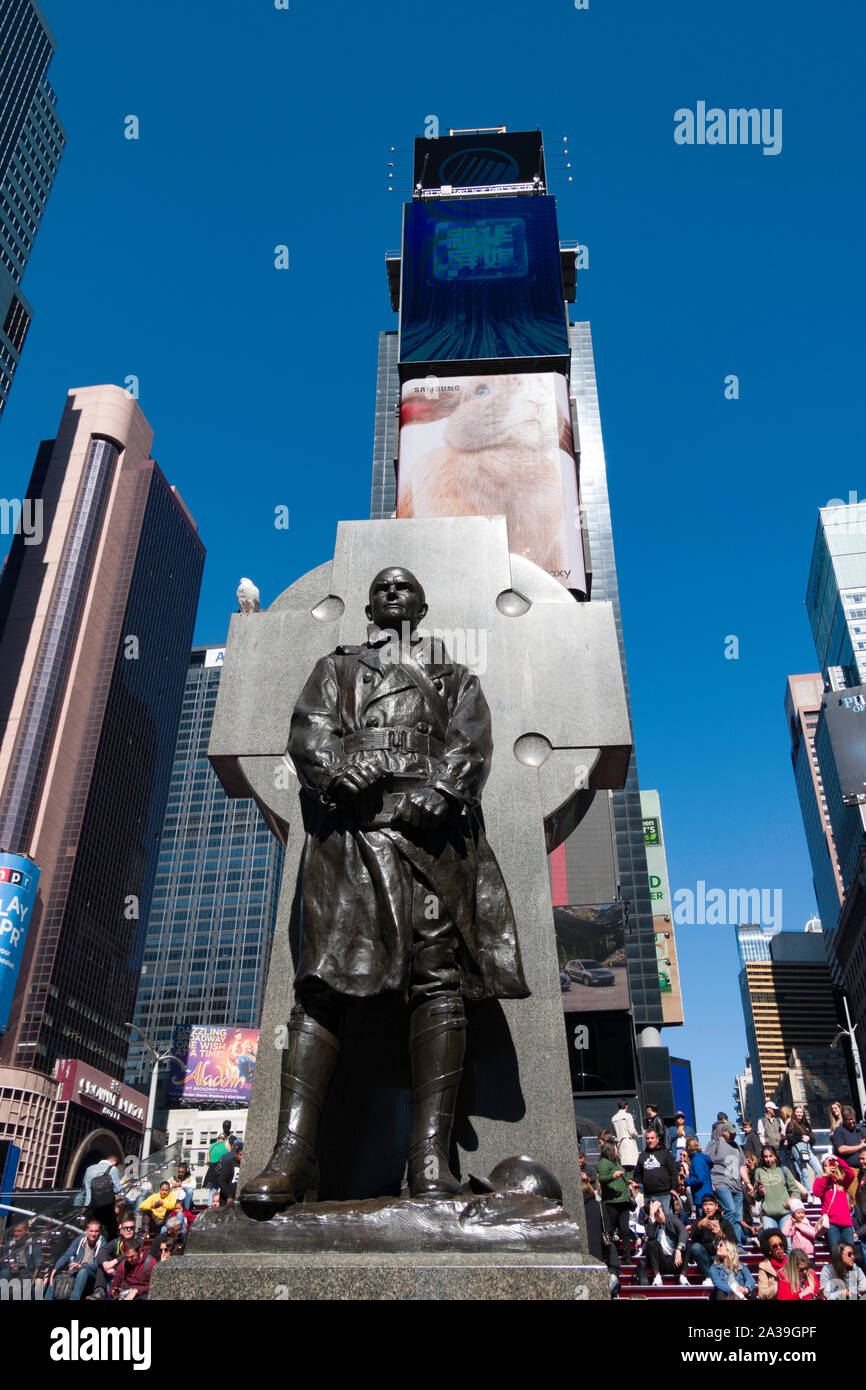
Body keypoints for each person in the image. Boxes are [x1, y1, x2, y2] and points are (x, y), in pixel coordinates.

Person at [241, 568, 530, 1211]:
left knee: (438, 983)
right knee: (321, 986)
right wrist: (342, 768)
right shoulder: (336, 669)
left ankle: (430, 1160)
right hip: (351, 842)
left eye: (405, 587)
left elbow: (472, 745)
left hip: (429, 845)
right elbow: (309, 731)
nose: (394, 593)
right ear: (370, 607)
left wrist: (442, 792)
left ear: (424, 607)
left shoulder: (455, 679)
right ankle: (293, 1154)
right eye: (383, 587)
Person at [705, 1125, 752, 1248]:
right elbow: (705, 1162)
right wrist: (710, 1182)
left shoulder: (737, 1146)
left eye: (735, 1133)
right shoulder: (715, 1143)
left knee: (737, 1216)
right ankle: (727, 1242)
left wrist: (747, 1182)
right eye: (730, 1133)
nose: (733, 1135)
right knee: (730, 1209)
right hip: (721, 1181)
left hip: (736, 1185)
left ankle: (737, 1245)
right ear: (724, 1131)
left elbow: (742, 1166)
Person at [813, 1154, 864, 1267]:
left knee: (849, 1254)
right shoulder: (821, 1180)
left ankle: (850, 1279)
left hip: (846, 1223)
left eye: (832, 1165)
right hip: (832, 1224)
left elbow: (850, 1174)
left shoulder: (841, 1181)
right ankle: (838, 1281)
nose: (830, 1167)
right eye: (826, 1165)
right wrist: (826, 1175)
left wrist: (838, 1159)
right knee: (836, 1254)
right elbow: (817, 1192)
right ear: (823, 1167)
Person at [44, 1220, 107, 1301]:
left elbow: (96, 1266)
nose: (93, 1234)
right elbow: (67, 1254)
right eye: (91, 1231)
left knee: (83, 1271)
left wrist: (81, 1266)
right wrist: (54, 1269)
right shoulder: (80, 1239)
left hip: (92, 1276)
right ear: (86, 1231)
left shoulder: (103, 1243)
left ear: (99, 1232)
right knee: (56, 1278)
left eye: (96, 1231)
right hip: (76, 1272)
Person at [596, 1139, 634, 1264]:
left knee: (625, 1231)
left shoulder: (617, 1162)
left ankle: (627, 1258)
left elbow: (623, 1177)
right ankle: (609, 1257)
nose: (618, 1150)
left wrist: (630, 1181)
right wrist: (613, 1176)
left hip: (623, 1200)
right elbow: (602, 1178)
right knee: (610, 1230)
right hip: (612, 1201)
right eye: (616, 1148)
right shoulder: (603, 1162)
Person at [84, 1215, 137, 1300]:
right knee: (104, 1258)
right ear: (121, 1231)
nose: (129, 1230)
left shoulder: (139, 1241)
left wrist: (115, 1262)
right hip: (115, 1270)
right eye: (126, 1228)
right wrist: (105, 1264)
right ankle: (99, 1291)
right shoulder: (116, 1241)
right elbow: (101, 1252)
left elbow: (130, 1255)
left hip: (131, 1271)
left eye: (132, 1228)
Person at [688, 1193, 736, 1285]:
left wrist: (721, 1234)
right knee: (695, 1247)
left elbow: (733, 1240)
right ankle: (709, 1276)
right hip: (705, 1256)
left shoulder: (725, 1223)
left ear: (716, 1206)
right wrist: (699, 1227)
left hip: (720, 1256)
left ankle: (717, 1276)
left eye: (711, 1205)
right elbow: (693, 1241)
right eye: (705, 1205)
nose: (708, 1208)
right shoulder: (699, 1222)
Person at [754, 1145, 805, 1228]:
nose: (768, 1159)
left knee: (787, 1241)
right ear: (762, 1158)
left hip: (785, 1213)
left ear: (775, 1157)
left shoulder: (784, 1170)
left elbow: (795, 1189)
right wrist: (759, 1192)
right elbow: (756, 1196)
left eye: (771, 1156)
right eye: (765, 1157)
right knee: (770, 1240)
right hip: (768, 1215)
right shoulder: (759, 1172)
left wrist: (792, 1200)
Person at [631, 1128, 678, 1216]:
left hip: (665, 1195)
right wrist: (637, 1183)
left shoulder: (665, 1153)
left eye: (652, 1138)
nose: (650, 1140)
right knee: (651, 1223)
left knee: (668, 1222)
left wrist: (674, 1188)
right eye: (647, 1138)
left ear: (657, 1139)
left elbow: (673, 1173)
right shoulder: (642, 1155)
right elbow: (638, 1174)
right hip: (648, 1196)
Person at [644, 1198, 690, 1286]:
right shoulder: (650, 1223)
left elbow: (683, 1230)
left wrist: (679, 1249)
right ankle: (657, 1277)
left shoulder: (671, 1218)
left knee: (685, 1244)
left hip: (675, 1260)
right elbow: (650, 1236)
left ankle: (683, 1276)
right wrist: (651, 1216)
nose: (659, 1214)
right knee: (651, 1243)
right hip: (661, 1262)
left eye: (659, 1210)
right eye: (655, 1213)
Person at [82, 1152, 122, 1240]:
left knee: (92, 1232)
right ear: (114, 1162)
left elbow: (86, 1188)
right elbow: (117, 1189)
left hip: (91, 1207)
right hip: (107, 1206)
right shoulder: (113, 1169)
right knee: (110, 1231)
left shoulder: (89, 1169)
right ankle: (107, 1251)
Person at [786, 1104, 822, 1191]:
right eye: (797, 1112)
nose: (799, 1114)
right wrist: (801, 1137)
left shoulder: (806, 1124)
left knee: (818, 1170)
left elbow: (813, 1140)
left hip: (808, 1148)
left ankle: (816, 1191)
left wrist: (809, 1138)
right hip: (797, 1149)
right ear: (794, 1113)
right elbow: (790, 1139)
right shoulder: (791, 1124)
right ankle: (808, 1193)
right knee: (804, 1173)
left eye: (801, 1112)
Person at [108, 1236, 156, 1301]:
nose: (129, 1260)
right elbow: (114, 1285)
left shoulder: (150, 1262)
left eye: (132, 1257)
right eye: (127, 1257)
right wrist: (113, 1293)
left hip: (143, 1294)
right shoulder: (124, 1264)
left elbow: (154, 1286)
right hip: (126, 1293)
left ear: (139, 1252)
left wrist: (137, 1290)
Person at [683, 1136, 713, 1214]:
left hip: (702, 1196)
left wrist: (687, 1180)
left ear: (689, 1148)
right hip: (706, 1194)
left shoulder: (697, 1160)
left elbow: (698, 1179)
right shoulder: (701, 1158)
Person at [756, 1228, 788, 1299]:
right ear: (769, 1250)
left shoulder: (791, 1264)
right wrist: (778, 1286)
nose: (779, 1248)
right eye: (775, 1246)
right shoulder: (764, 1267)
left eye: (781, 1245)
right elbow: (761, 1294)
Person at [611, 1100, 639, 1171]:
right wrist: (636, 1134)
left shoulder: (614, 1118)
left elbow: (614, 1133)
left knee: (623, 1166)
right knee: (632, 1165)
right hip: (629, 1142)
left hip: (620, 1143)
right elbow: (632, 1131)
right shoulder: (628, 1116)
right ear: (626, 1106)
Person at [218, 1141, 243, 1205]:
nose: (242, 1157)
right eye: (241, 1155)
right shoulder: (229, 1164)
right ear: (236, 1154)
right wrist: (229, 1195)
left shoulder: (245, 1166)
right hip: (227, 1199)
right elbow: (221, 1181)